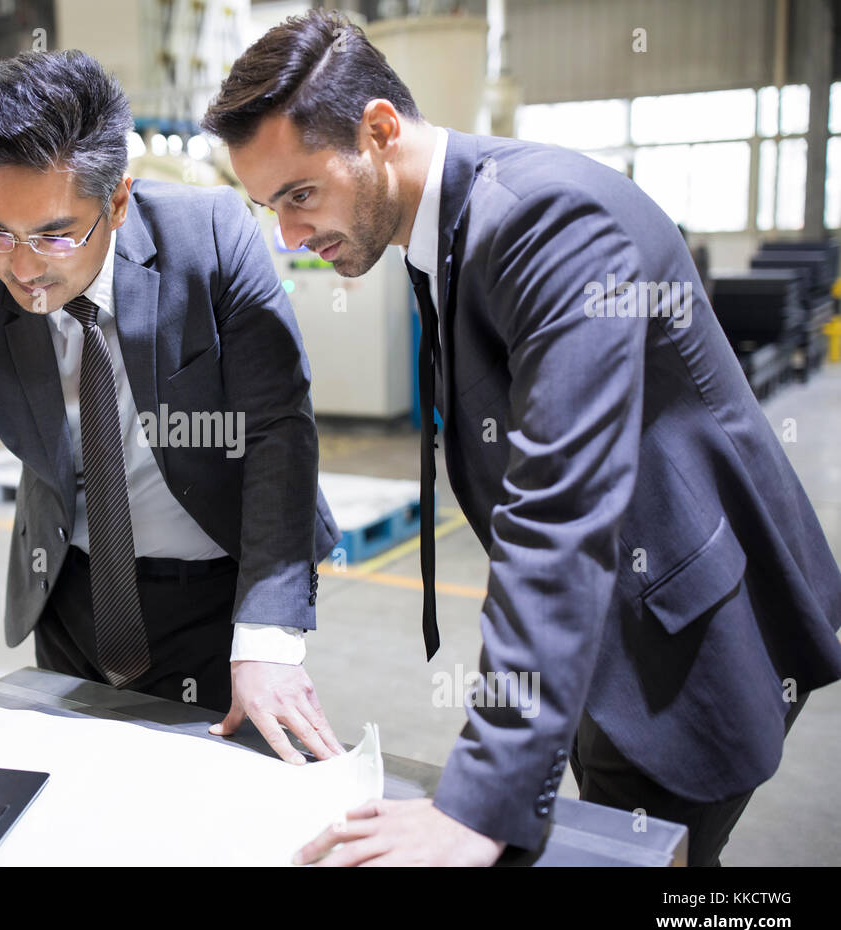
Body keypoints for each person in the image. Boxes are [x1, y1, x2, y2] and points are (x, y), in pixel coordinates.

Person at [203, 9, 841, 865]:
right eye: (269, 206)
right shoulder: (449, 228)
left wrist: (481, 802)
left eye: (300, 194)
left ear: (379, 131)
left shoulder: (548, 221)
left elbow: (561, 509)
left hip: (684, 638)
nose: (288, 235)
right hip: (602, 635)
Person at [0, 49, 345, 765]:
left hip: (218, 595)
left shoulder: (212, 240)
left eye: (56, 233)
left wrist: (268, 640)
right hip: (70, 598)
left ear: (118, 202)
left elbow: (279, 431)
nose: (25, 266)